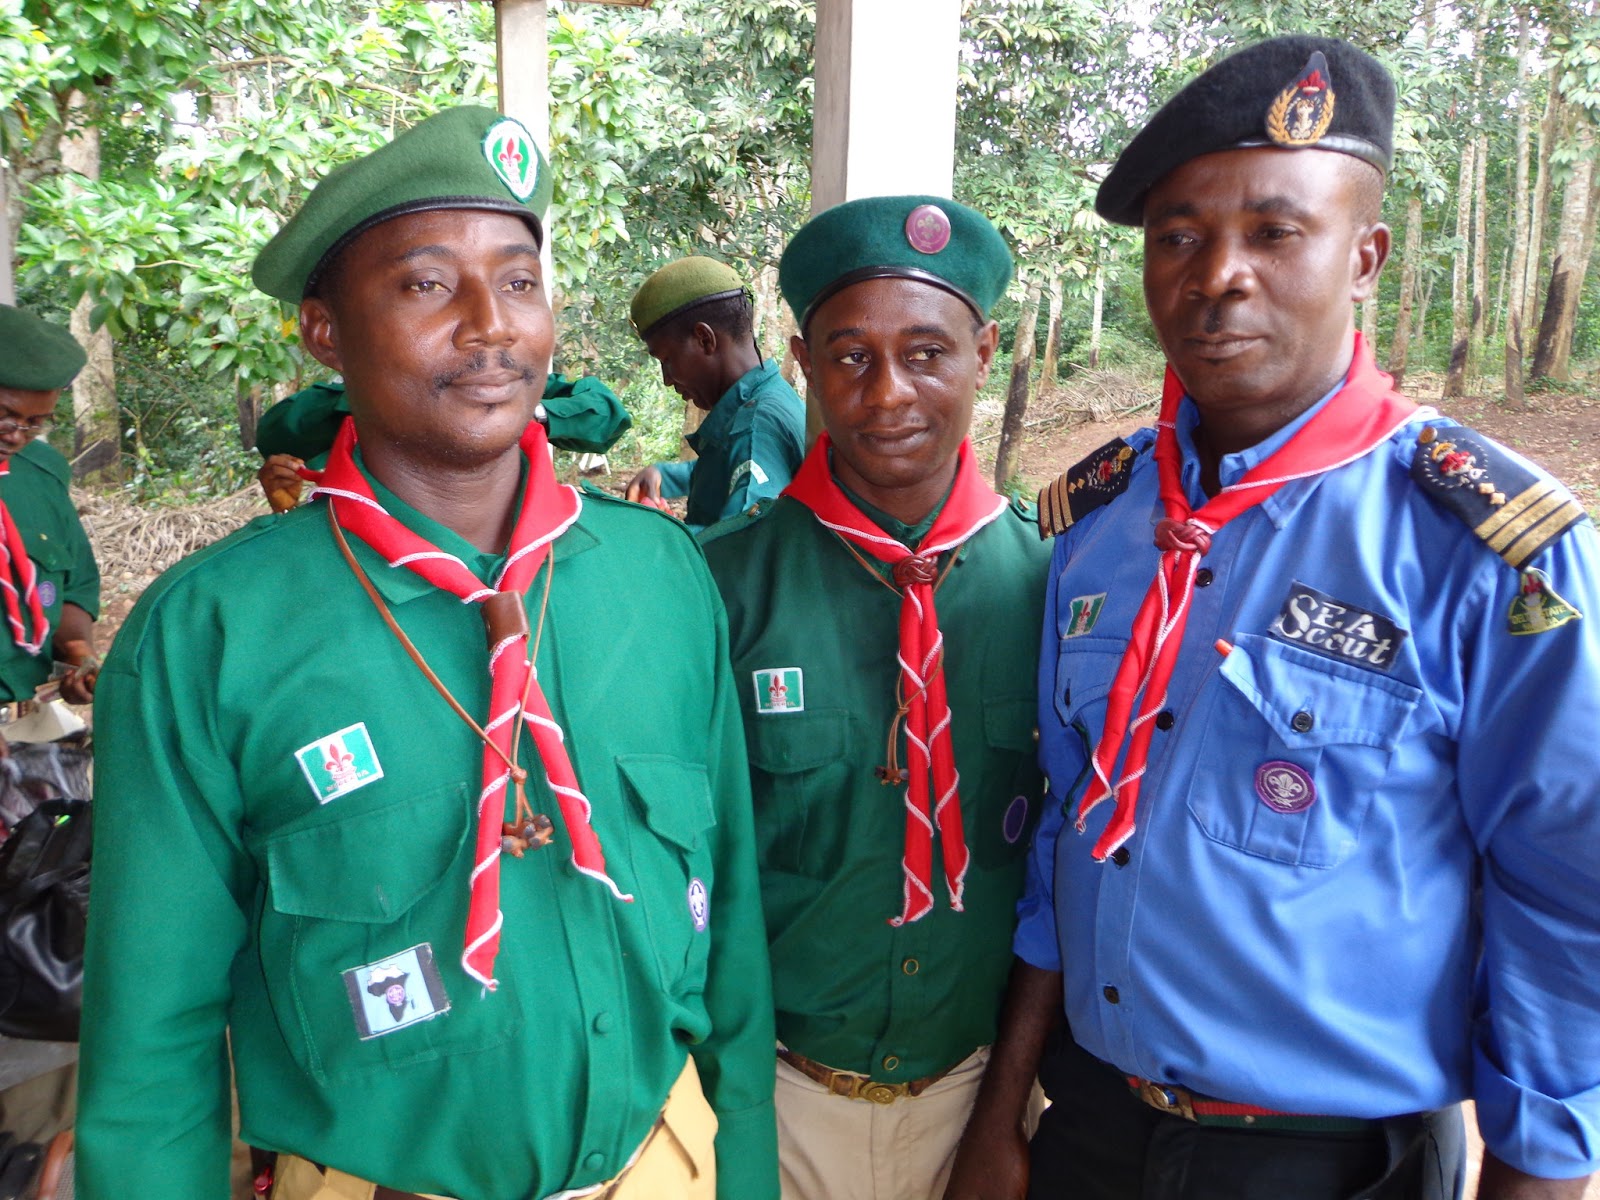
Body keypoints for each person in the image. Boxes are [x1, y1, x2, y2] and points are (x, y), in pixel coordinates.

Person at [78, 105, 778, 1200]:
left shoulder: (660, 577)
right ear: (324, 331)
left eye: (519, 280)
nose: (491, 326)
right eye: (426, 284)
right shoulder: (212, 635)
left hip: (669, 1167)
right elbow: (151, 1052)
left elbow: (728, 928)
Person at [947, 36, 1600, 1200]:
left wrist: (1537, 1173)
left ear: (1365, 257)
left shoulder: (1483, 550)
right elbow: (1067, 827)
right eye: (1178, 237)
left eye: (1275, 231)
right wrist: (1004, 1112)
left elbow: (1566, 893)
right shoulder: (1100, 523)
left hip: (1327, 1159)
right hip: (1092, 1126)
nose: (1218, 276)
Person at [699, 195, 1050, 1200]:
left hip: (980, 1097)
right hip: (771, 1100)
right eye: (850, 356)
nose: (889, 392)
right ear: (803, 365)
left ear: (984, 353)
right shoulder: (718, 587)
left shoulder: (1055, 583)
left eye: (927, 353)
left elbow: (1064, 864)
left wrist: (1006, 1114)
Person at [254, 372, 634, 513]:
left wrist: (524, 412)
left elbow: (607, 415)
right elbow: (276, 433)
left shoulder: (506, 382)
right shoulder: (345, 399)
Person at [623, 257, 805, 530]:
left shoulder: (753, 430)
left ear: (704, 339)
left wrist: (664, 535)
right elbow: (729, 468)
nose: (666, 379)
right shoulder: (772, 395)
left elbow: (742, 542)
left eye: (667, 360)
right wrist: (664, 475)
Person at [0, 306, 100, 718]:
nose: (16, 436)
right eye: (5, 416)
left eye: (35, 423)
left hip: (27, 722)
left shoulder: (41, 475)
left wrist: (77, 655)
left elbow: (72, 585)